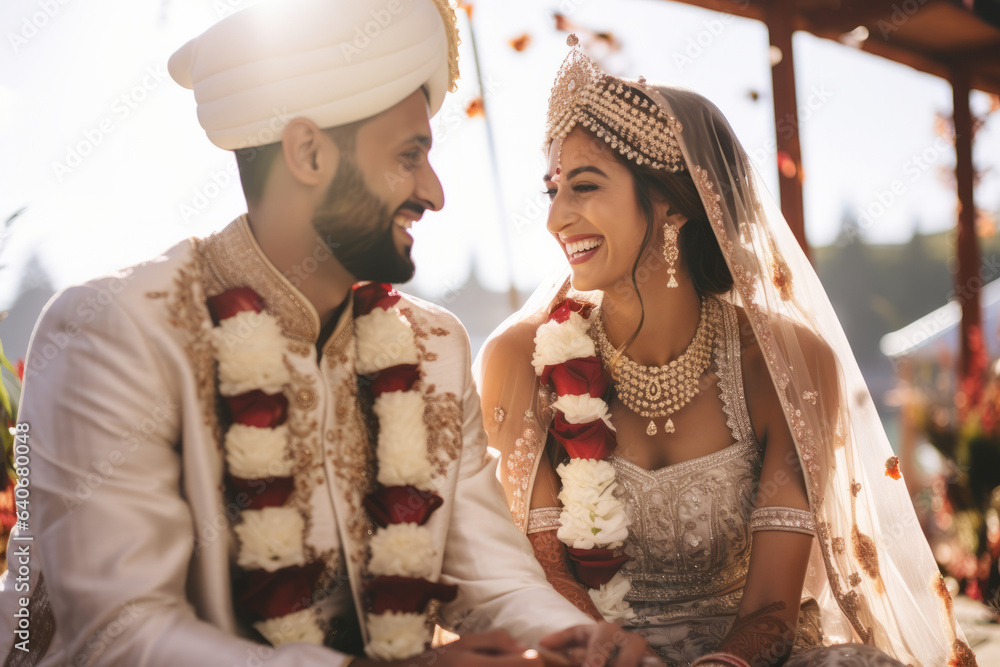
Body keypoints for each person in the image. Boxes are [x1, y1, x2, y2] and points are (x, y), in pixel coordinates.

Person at [0, 5, 654, 666]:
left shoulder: (433, 348)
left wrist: (571, 640)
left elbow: (496, 578)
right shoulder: (117, 329)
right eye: (409, 156)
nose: (434, 192)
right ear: (309, 153)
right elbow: (118, 635)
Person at [477, 37, 978, 667]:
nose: (555, 219)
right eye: (553, 190)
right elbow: (544, 579)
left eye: (582, 186)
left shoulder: (786, 363)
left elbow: (773, 605)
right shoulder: (523, 361)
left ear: (672, 203)